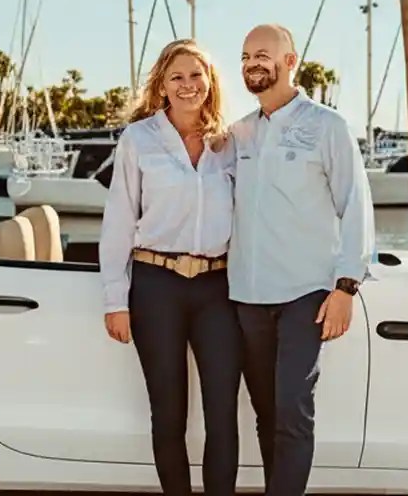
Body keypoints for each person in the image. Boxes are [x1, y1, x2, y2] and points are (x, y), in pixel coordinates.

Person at [225, 23, 375, 496]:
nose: (254, 62)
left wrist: (346, 286)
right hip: (246, 296)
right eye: (247, 55)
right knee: (266, 414)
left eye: (264, 54)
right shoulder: (238, 134)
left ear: (291, 61)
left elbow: (356, 205)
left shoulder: (327, 126)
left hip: (305, 295)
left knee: (292, 409)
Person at [98, 38, 242, 496]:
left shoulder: (231, 143)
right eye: (176, 77)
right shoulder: (139, 140)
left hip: (218, 288)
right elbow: (118, 221)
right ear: (161, 85)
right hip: (156, 285)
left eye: (196, 75)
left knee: (223, 413)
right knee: (169, 412)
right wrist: (115, 299)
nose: (187, 85)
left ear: (210, 82)